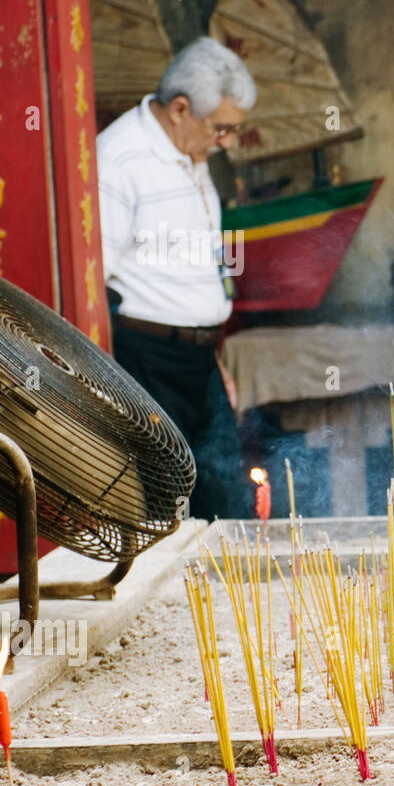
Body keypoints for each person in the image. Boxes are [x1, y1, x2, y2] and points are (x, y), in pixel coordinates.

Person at [98, 36, 255, 520]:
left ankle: (233, 598)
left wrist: (214, 353)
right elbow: (94, 281)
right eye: (222, 128)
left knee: (228, 500)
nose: (227, 141)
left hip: (199, 359)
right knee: (162, 505)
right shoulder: (118, 158)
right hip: (144, 362)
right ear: (181, 109)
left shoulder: (193, 152)